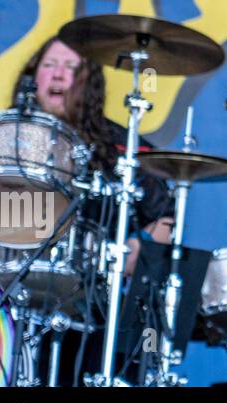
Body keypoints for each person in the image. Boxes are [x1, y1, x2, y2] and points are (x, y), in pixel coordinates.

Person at [12, 35, 175, 384]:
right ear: (33, 75)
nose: (58, 75)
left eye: (71, 67)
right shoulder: (3, 137)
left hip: (90, 303)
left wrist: (138, 248)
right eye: (49, 65)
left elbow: (167, 215)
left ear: (87, 83)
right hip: (7, 292)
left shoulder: (116, 144)